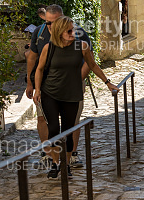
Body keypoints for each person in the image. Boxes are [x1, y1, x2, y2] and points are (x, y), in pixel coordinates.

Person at [33, 16, 119, 179]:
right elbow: (39, 69)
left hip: (71, 93)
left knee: (68, 130)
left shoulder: (82, 46)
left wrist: (108, 83)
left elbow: (92, 65)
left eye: (74, 30)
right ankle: (56, 163)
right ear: (59, 32)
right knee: (53, 129)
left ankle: (66, 164)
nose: (73, 33)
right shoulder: (49, 48)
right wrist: (37, 89)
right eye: (69, 31)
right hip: (50, 93)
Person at [26, 4, 92, 168]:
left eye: (54, 22)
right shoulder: (40, 33)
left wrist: (77, 79)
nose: (51, 26)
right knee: (44, 119)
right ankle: (48, 155)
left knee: (72, 122)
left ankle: (72, 155)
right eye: (48, 22)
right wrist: (30, 83)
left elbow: (89, 61)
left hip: (72, 86)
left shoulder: (78, 33)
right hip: (47, 88)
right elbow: (32, 59)